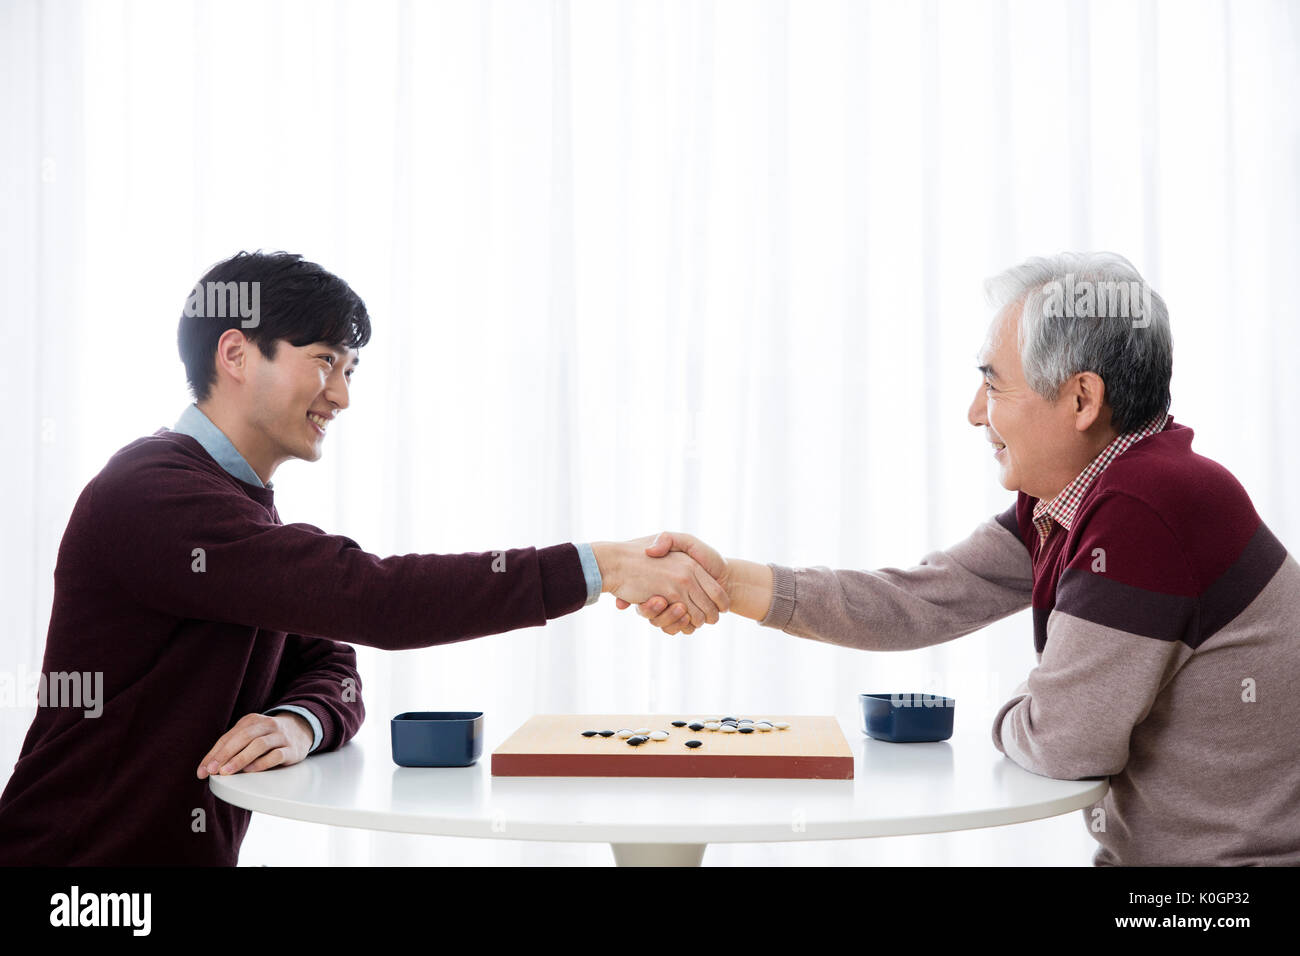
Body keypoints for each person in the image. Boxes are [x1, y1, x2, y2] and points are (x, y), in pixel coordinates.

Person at [0, 250, 727, 866]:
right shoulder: (155, 495)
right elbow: (374, 600)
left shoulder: (233, 504)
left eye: (350, 370)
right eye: (324, 363)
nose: (342, 395)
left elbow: (333, 665)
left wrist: (298, 722)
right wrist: (599, 566)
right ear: (236, 354)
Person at [623, 252, 1300, 866]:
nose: (976, 413)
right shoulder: (1084, 495)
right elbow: (922, 599)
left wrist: (1022, 710)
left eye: (994, 385)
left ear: (1082, 399)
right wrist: (725, 581)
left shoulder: (1144, 509)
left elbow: (1064, 741)